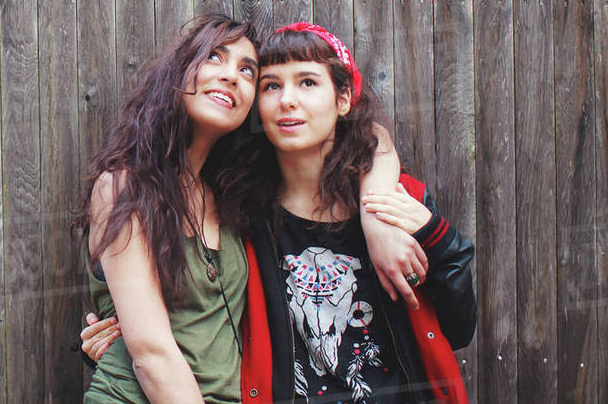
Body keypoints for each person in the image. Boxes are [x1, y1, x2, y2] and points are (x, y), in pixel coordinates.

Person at [84, 22, 476, 403]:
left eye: (307, 82)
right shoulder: (246, 212)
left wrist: (408, 228)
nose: (287, 99)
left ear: (343, 99)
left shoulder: (397, 201)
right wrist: (120, 337)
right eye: (271, 85)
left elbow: (458, 329)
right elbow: (179, 323)